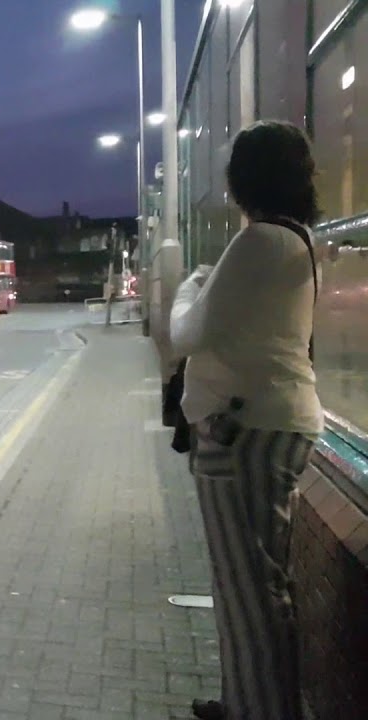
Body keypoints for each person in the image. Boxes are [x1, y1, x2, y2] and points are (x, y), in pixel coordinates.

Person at [169, 120, 323, 720]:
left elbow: (190, 331)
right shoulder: (296, 241)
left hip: (245, 433)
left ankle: (259, 708)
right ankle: (245, 700)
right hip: (265, 423)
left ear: (243, 179)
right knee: (247, 581)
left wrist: (190, 288)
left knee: (250, 588)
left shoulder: (261, 242)